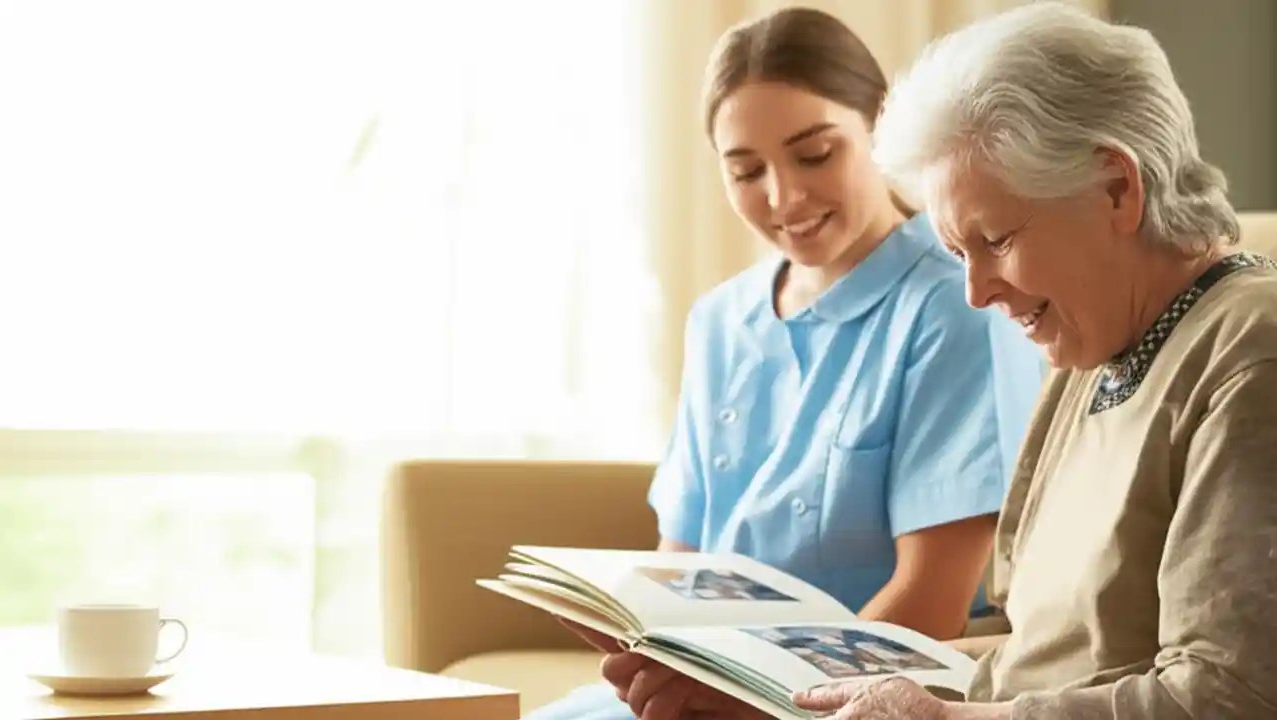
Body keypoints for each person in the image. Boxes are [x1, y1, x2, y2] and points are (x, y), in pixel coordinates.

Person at [527, 7, 1043, 720]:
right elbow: (679, 563)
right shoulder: (719, 320)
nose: (783, 197)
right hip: (709, 690)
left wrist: (751, 696)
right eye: (745, 171)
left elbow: (932, 600)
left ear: (881, 126)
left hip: (847, 697)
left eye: (815, 154)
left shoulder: (954, 301)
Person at [781, 3, 1277, 719]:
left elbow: (1228, 698)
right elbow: (1036, 652)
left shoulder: (1251, 353)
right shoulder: (1094, 346)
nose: (977, 292)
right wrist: (795, 692)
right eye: (957, 253)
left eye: (997, 239)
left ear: (1116, 188)